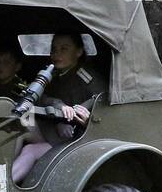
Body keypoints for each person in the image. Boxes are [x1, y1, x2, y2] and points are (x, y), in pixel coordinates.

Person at [10, 33, 107, 184]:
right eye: (54, 49)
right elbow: (41, 98)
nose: (56, 54)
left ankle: (1, 188)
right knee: (18, 123)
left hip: (75, 140)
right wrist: (59, 107)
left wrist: (85, 121)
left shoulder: (87, 78)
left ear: (78, 52)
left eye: (64, 49)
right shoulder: (54, 72)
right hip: (54, 130)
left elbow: (104, 105)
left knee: (30, 151)